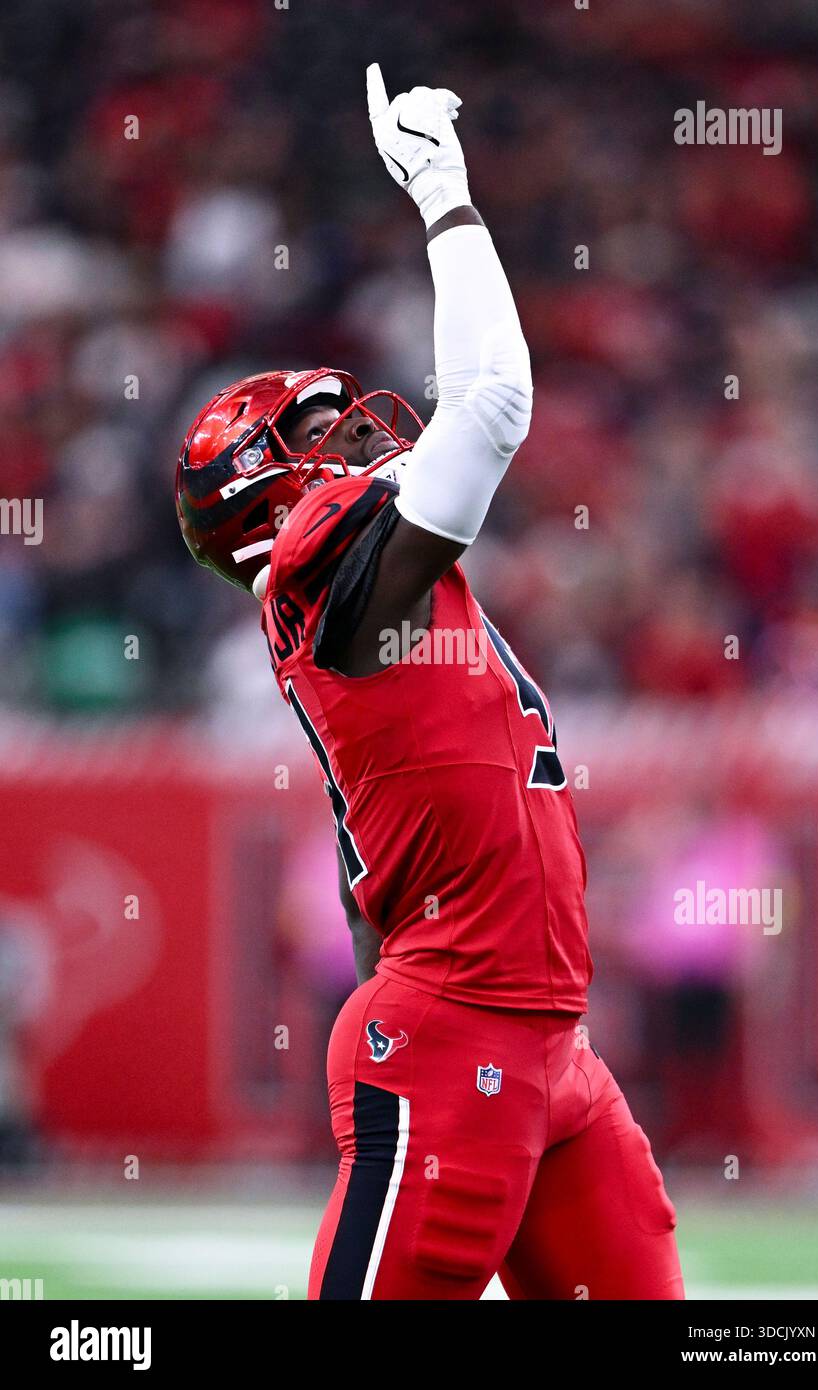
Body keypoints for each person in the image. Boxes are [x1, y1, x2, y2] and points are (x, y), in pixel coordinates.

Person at [175, 64, 684, 1301]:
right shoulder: (318, 575)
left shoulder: (385, 600)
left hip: (547, 1047)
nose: (363, 433)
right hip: (460, 1039)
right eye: (326, 434)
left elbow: (369, 877)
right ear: (268, 498)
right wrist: (443, 195)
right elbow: (495, 402)